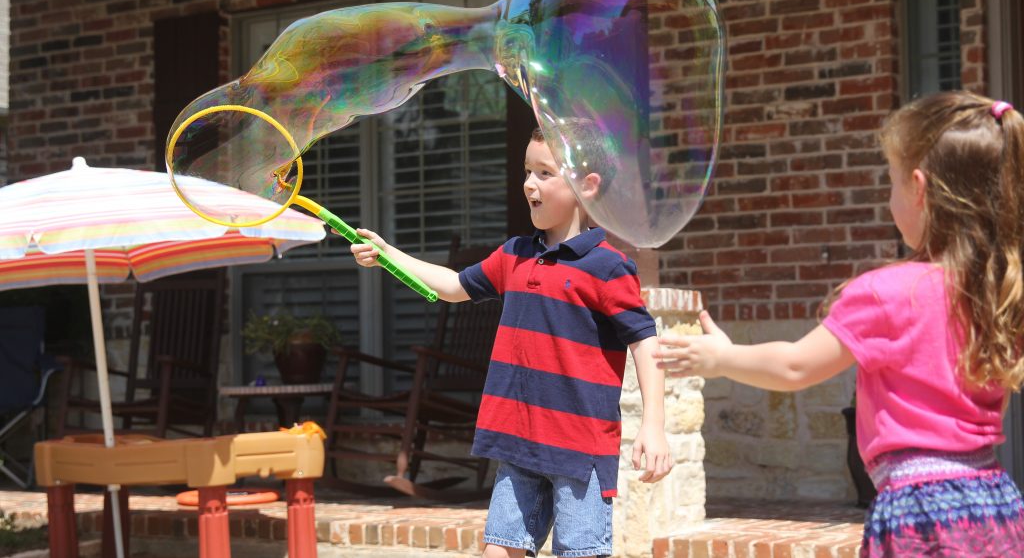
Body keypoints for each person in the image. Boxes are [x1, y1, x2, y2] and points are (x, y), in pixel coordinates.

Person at [656, 91, 1024, 556]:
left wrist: (722, 358)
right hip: (996, 503)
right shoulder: (1000, 294)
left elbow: (795, 366)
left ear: (919, 188)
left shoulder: (889, 293)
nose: (889, 197)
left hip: (920, 513)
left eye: (891, 182)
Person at [350, 123, 672, 558]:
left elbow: (646, 343)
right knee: (498, 552)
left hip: (580, 451)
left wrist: (653, 425)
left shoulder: (607, 267)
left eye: (544, 173)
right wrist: (388, 254)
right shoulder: (514, 254)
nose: (528, 184)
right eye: (527, 171)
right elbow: (453, 286)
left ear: (588, 185)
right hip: (517, 441)